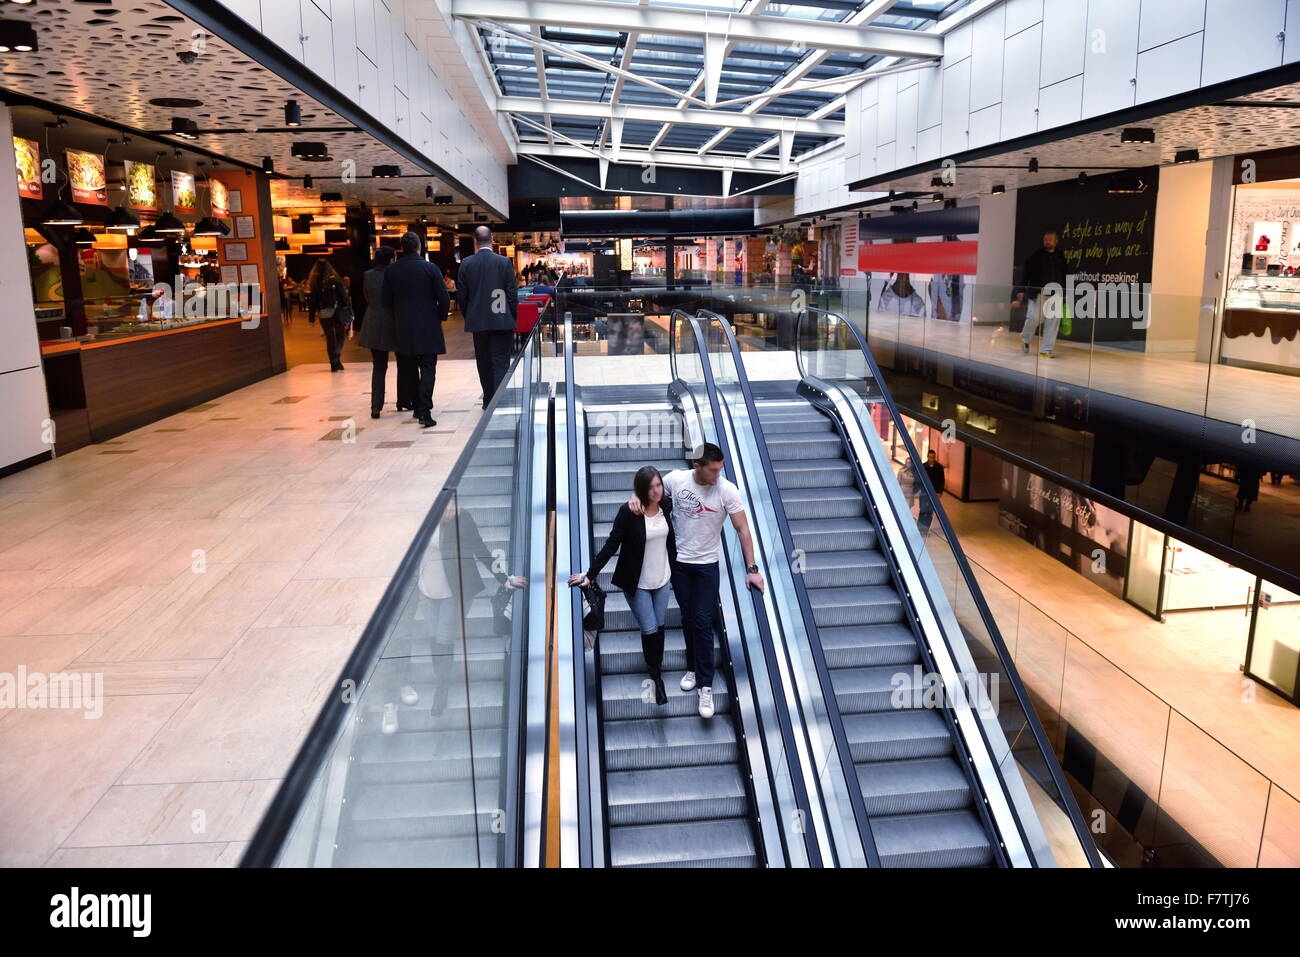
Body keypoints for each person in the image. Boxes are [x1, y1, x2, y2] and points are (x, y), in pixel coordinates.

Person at [628, 443, 764, 719]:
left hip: (706, 567)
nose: (717, 475)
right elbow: (651, 488)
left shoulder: (726, 490)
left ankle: (705, 685)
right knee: (689, 619)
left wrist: (752, 568)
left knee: (702, 623)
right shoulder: (677, 479)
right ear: (697, 466)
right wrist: (635, 496)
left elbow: (743, 529)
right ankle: (691, 666)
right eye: (713, 470)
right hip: (679, 565)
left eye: (720, 469)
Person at [569, 466, 676, 705]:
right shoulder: (629, 513)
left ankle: (655, 662)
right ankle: (656, 677)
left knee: (659, 627)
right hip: (637, 583)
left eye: (659, 485)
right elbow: (611, 544)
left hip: (662, 579)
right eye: (651, 488)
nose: (657, 490)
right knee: (649, 630)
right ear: (641, 490)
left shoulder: (666, 507)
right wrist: (590, 574)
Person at [382, 232, 450, 428]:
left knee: (409, 369)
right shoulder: (430, 268)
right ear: (420, 247)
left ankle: (416, 405)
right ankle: (424, 411)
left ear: (402, 248)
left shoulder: (392, 271)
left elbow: (385, 303)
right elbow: (444, 298)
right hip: (428, 327)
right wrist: (440, 316)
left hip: (403, 328)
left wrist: (397, 318)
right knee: (428, 369)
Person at [458, 225, 518, 409]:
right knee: (500, 362)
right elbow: (511, 293)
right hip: (501, 319)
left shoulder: (466, 263)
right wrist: (511, 316)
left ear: (475, 241)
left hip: (478, 322)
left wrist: (470, 315)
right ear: (492, 239)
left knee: (483, 362)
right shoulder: (504, 262)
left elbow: (462, 296)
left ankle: (488, 400)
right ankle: (500, 402)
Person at [358, 246, 416, 419]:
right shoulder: (396, 274)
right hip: (394, 322)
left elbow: (367, 296)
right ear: (392, 260)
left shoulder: (367, 275)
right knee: (403, 363)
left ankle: (376, 407)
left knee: (379, 367)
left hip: (373, 322)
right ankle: (403, 401)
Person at [1016, 229, 1069, 359]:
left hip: (1056, 294)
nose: (1047, 241)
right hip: (1038, 293)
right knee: (1035, 318)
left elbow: (1065, 275)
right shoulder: (1036, 255)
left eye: (1050, 239)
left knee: (1053, 322)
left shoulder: (1060, 256)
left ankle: (1046, 350)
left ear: (1056, 241)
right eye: (1046, 239)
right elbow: (1026, 273)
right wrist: (1021, 290)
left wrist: (1065, 292)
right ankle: (1025, 338)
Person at [306, 260, 353, 371]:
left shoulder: (314, 281)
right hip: (337, 311)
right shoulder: (335, 279)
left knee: (330, 338)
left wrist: (311, 317)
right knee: (341, 336)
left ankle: (334, 364)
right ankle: (336, 355)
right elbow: (343, 296)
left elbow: (313, 300)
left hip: (323, 313)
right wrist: (349, 310)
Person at [919, 449, 945, 531]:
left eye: (933, 457)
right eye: (930, 457)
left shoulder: (939, 467)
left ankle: (926, 529)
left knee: (930, 511)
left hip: (934, 493)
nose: (931, 459)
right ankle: (920, 527)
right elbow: (920, 479)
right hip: (924, 492)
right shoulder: (923, 467)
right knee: (923, 510)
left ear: (935, 457)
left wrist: (940, 492)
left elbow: (942, 480)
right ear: (927, 457)